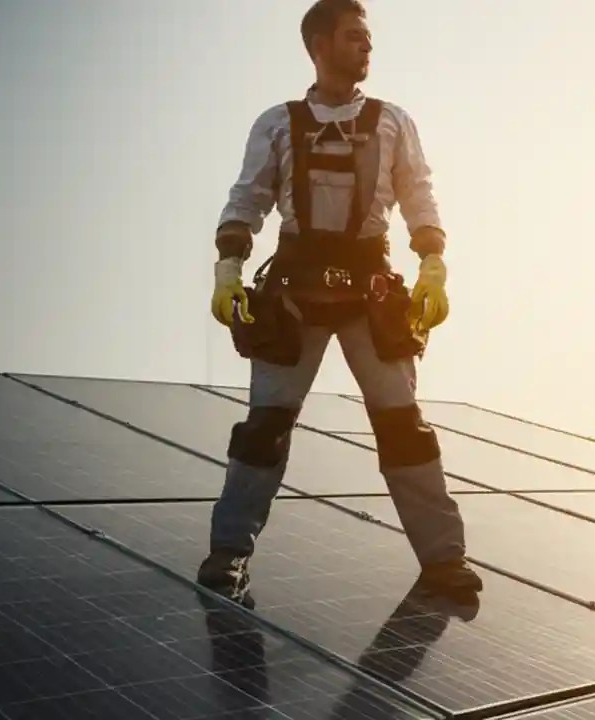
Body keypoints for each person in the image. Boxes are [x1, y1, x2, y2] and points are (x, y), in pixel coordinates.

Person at [196, 0, 482, 605]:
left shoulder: (393, 121)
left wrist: (432, 261)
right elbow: (247, 198)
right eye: (355, 37)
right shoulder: (276, 123)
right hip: (294, 289)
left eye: (369, 38)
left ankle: (444, 560)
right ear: (319, 45)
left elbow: (418, 194)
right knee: (265, 427)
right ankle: (229, 555)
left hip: (370, 286)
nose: (367, 47)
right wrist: (228, 268)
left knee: (403, 424)